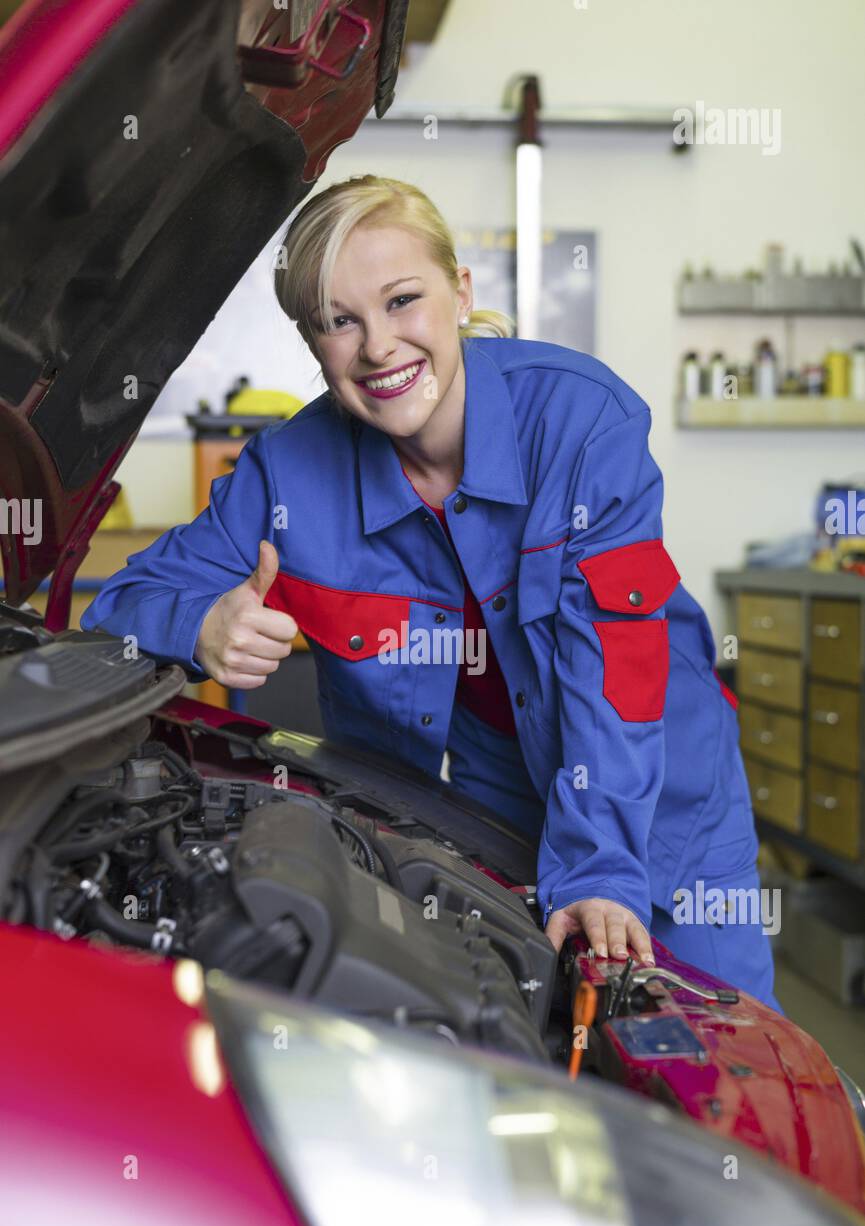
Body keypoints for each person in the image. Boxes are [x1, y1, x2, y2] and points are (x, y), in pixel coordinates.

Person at [81, 174, 780, 1010]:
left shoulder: (579, 422)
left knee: (723, 1062)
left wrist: (597, 871)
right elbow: (121, 604)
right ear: (313, 345)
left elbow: (616, 666)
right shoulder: (289, 475)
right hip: (490, 808)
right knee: (537, 1045)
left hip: (663, 789)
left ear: (459, 293)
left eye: (402, 300)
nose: (378, 347)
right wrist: (200, 623)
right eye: (340, 321)